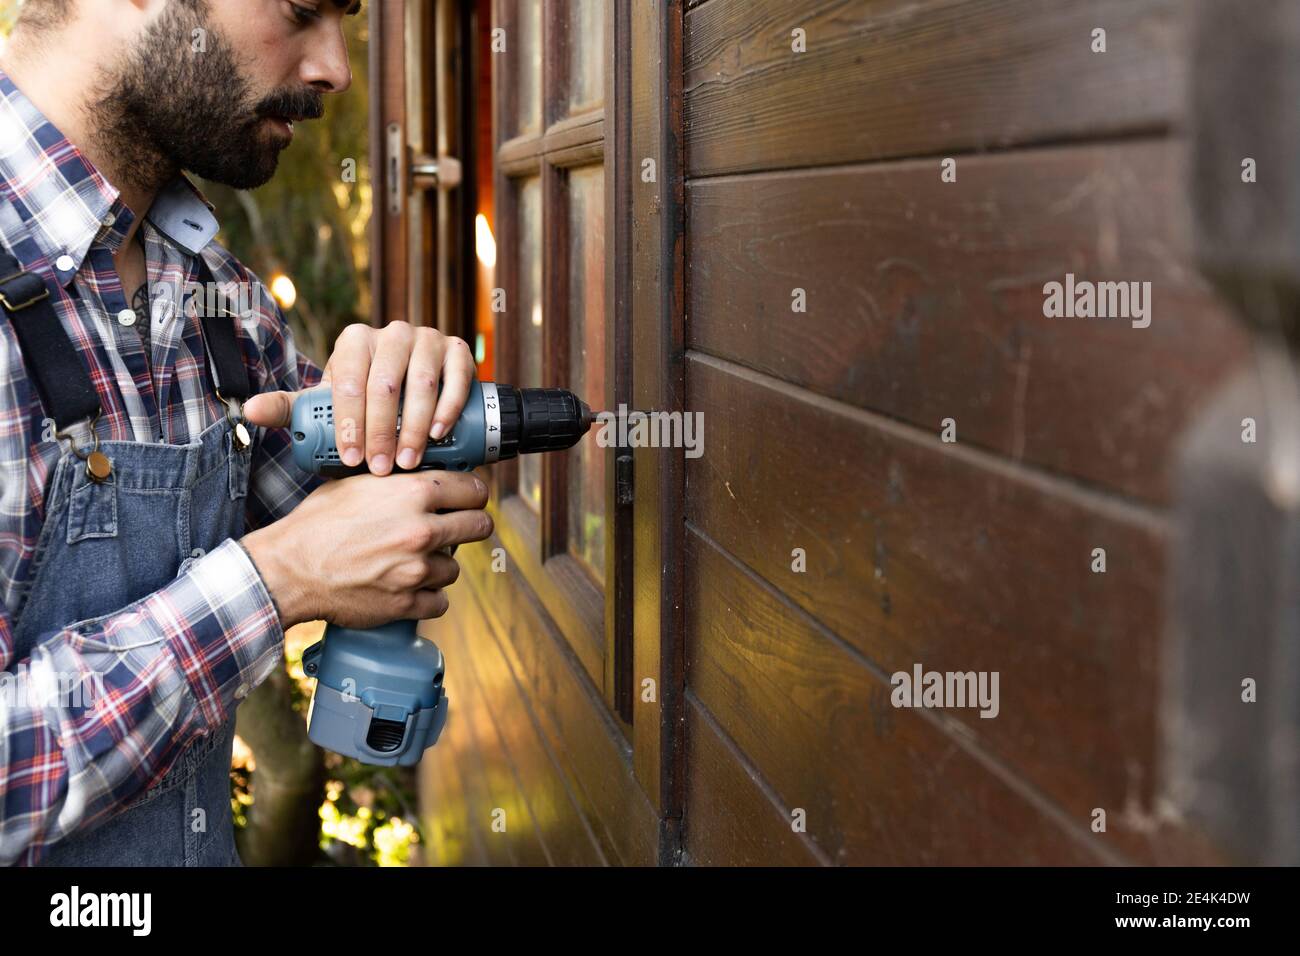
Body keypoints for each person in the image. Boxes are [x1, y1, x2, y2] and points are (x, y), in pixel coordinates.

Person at [0, 0, 489, 866]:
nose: (336, 67)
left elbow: (356, 518)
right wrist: (274, 585)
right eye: (302, 10)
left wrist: (401, 399)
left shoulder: (218, 298)